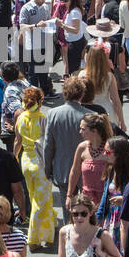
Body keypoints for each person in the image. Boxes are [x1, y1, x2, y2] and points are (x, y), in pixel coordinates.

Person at [12, 87, 56, 247]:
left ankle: (48, 230)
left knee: (33, 198)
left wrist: (15, 157)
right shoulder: (44, 118)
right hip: (40, 162)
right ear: (40, 102)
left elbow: (17, 142)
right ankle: (34, 238)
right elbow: (50, 144)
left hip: (26, 161)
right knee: (41, 200)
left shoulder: (21, 117)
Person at [42, 75, 93, 203]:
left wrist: (47, 169)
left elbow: (48, 145)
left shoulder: (53, 114)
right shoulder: (90, 116)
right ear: (82, 94)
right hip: (86, 170)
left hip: (62, 168)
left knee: (68, 208)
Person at [65, 112, 110, 210]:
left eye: (83, 129)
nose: (80, 131)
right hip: (86, 200)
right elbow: (74, 171)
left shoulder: (110, 148)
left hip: (106, 200)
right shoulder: (82, 147)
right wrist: (69, 195)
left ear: (94, 131)